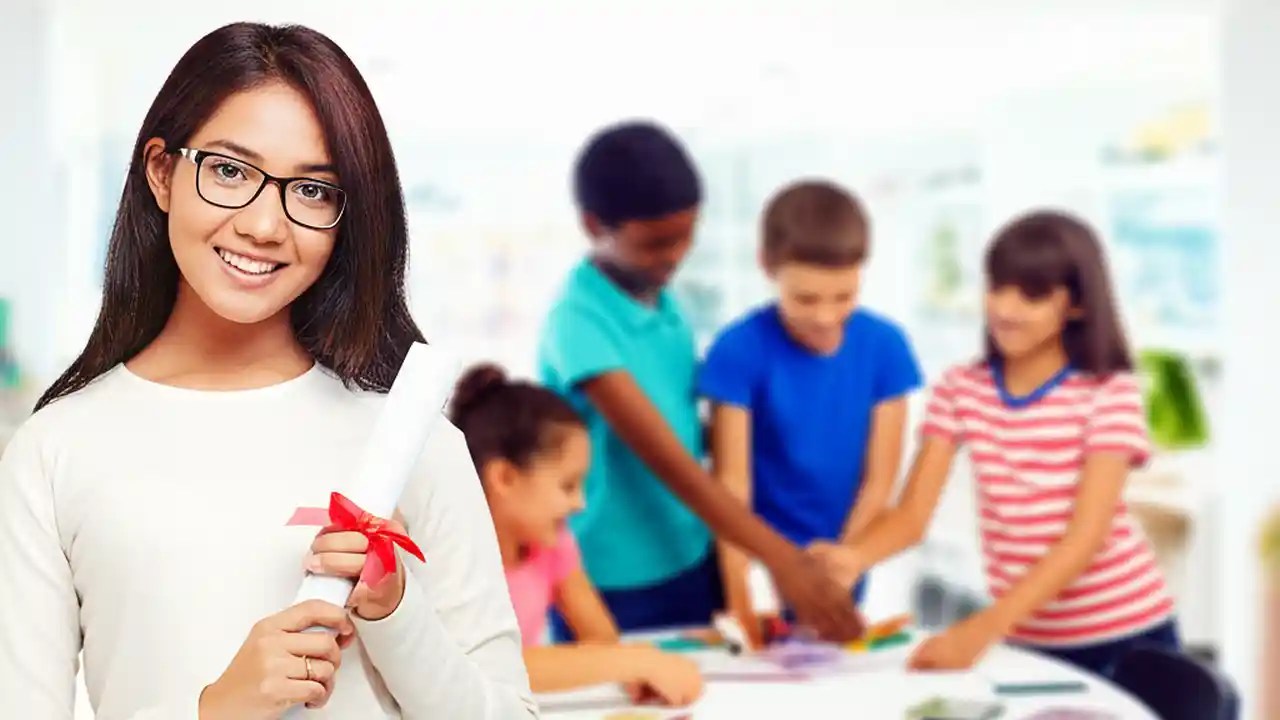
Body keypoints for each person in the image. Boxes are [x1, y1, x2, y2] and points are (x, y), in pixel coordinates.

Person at [0, 23, 535, 719]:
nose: (263, 226)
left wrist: (396, 610)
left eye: (312, 190)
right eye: (229, 171)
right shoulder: (55, 451)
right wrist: (217, 710)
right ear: (162, 172)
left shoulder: (415, 446)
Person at [812, 211, 1179, 679]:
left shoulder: (1108, 391)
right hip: (1029, 641)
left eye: (1032, 295)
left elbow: (1085, 538)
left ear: (1077, 306)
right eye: (997, 287)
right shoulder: (961, 387)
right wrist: (854, 558)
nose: (1005, 308)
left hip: (1125, 634)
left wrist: (981, 629)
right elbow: (912, 515)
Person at [537, 120, 863, 643]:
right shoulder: (577, 321)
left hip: (693, 557)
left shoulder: (668, 303)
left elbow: (692, 428)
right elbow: (668, 459)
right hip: (609, 580)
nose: (674, 255)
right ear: (594, 225)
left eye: (686, 235)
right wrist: (784, 562)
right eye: (655, 243)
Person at [698, 180, 921, 633]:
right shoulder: (737, 350)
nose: (825, 316)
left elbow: (879, 483)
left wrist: (840, 569)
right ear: (766, 266)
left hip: (843, 566)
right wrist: (742, 599)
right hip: (757, 571)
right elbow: (732, 489)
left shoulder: (886, 348)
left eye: (844, 296)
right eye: (805, 298)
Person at [449, 363, 703, 707]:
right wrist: (634, 661)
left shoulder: (553, 545)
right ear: (505, 478)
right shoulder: (455, 559)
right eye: (568, 485)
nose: (580, 503)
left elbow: (601, 640)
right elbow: (489, 666)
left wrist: (633, 670)